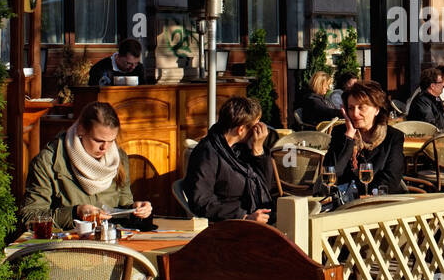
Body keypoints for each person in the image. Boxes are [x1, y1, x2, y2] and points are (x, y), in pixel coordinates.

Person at [22, 101, 153, 231]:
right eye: (98, 140)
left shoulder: (119, 158)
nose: (105, 147)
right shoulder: (49, 161)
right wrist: (75, 213)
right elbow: (29, 217)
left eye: (111, 141)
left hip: (110, 241)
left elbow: (124, 206)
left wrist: (137, 210)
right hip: (66, 245)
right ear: (81, 130)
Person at [182, 96, 278, 223]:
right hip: (230, 226)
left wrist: (258, 151)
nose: (257, 132)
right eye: (254, 127)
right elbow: (201, 201)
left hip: (259, 219)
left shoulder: (240, 149)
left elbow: (266, 185)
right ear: (241, 129)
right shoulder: (208, 153)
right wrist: (244, 216)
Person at [325, 80, 407, 196]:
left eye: (361, 107)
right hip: (346, 203)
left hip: (381, 201)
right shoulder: (340, 133)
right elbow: (331, 173)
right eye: (351, 108)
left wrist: (365, 196)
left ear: (377, 109)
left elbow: (391, 177)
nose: (355, 113)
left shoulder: (393, 137)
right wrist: (348, 138)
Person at [406, 66, 444, 132]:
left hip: (443, 135)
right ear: (432, 86)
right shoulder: (422, 101)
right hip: (431, 139)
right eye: (441, 82)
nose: (443, 84)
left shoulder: (436, 97)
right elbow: (430, 125)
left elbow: (443, 120)